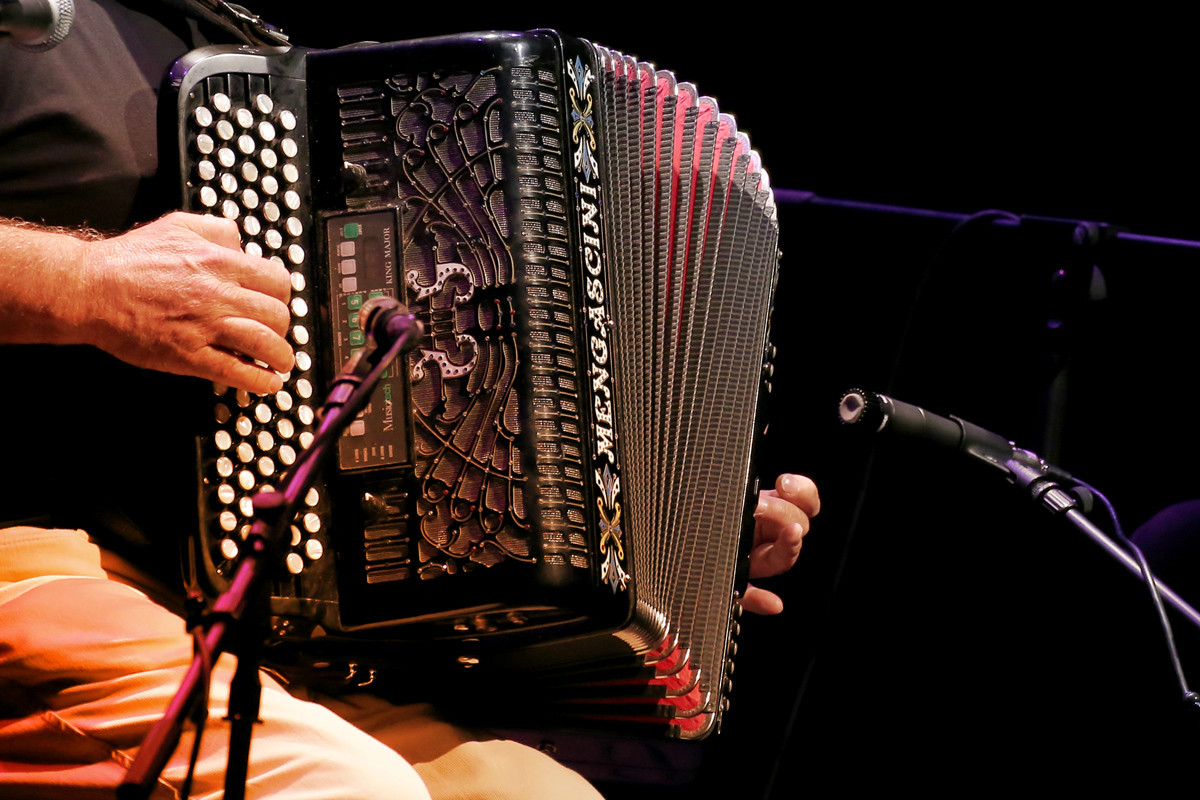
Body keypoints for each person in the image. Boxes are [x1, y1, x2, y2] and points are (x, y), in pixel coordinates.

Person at [0, 2, 820, 797]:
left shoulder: (232, 37)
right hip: (39, 552)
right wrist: (84, 283)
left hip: (270, 619)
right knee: (345, 788)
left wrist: (665, 517)